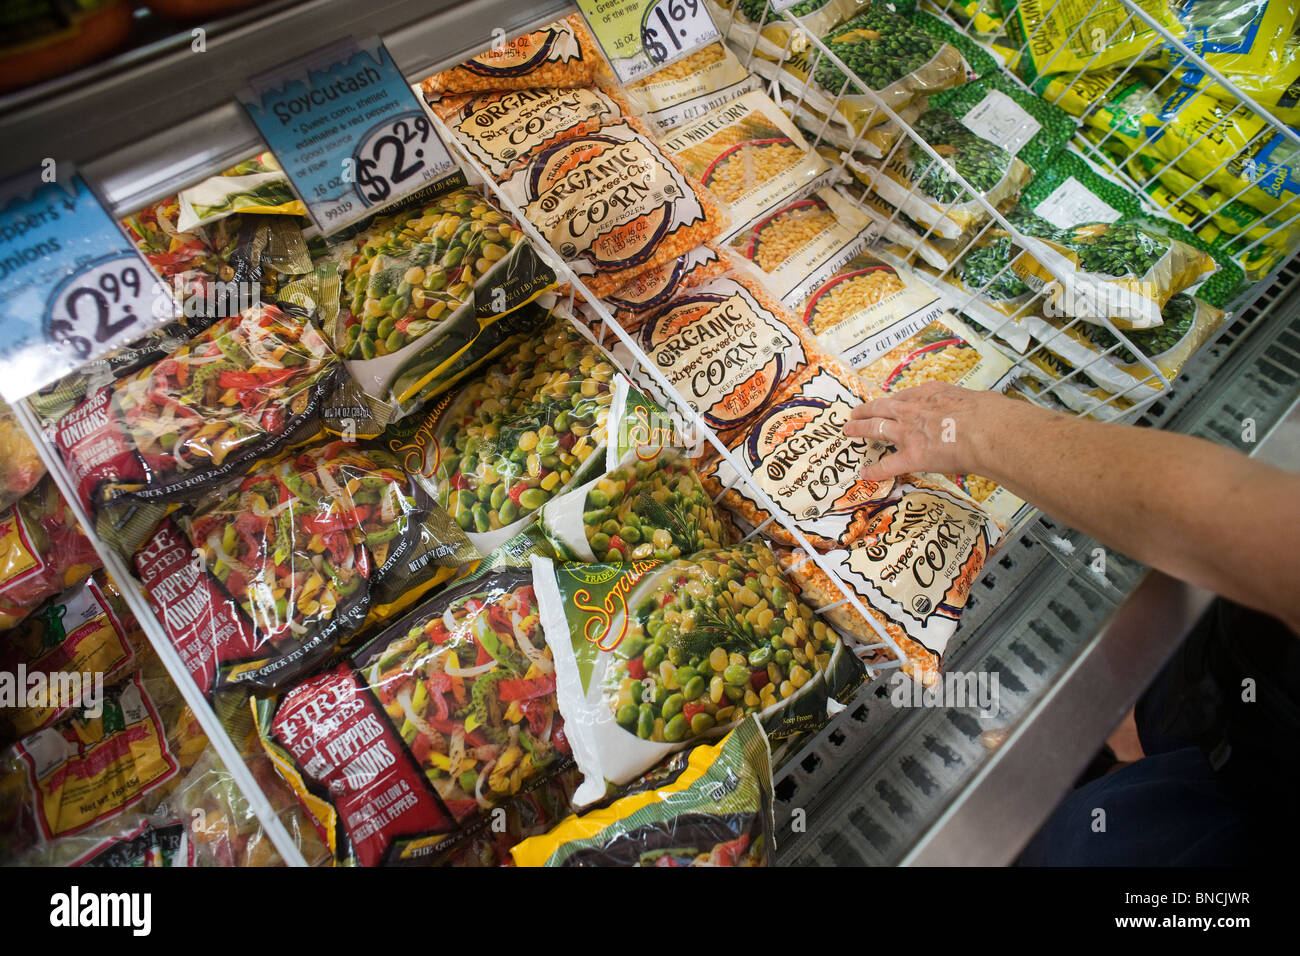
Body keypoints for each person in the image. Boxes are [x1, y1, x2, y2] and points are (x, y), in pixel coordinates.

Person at [845, 381, 1300, 866]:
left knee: (1081, 846)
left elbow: (1223, 522)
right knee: (1176, 734)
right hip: (1260, 710)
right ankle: (1109, 775)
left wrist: (983, 431)